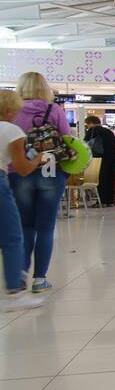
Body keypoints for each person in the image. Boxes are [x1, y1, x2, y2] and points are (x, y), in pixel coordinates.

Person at [9, 71, 69, 294]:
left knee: (24, 226)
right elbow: (67, 139)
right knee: (45, 227)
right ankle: (40, 279)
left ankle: (21, 273)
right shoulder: (54, 111)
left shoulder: (11, 112)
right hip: (50, 172)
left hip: (19, 172)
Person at [0, 90, 48, 309]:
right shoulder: (12, 131)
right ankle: (14, 292)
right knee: (12, 237)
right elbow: (22, 168)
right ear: (10, 110)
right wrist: (37, 159)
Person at [83, 115, 115, 207]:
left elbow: (85, 144)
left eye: (87, 125)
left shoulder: (92, 130)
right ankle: (110, 201)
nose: (87, 127)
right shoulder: (108, 131)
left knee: (101, 178)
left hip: (100, 157)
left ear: (91, 123)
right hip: (113, 156)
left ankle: (102, 201)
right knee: (111, 178)